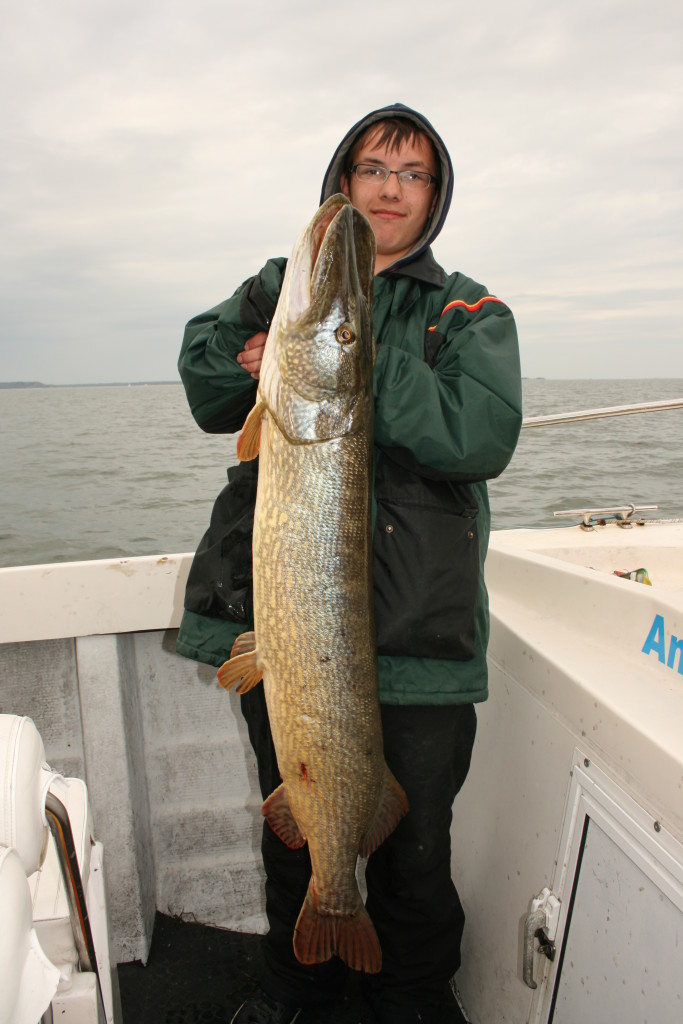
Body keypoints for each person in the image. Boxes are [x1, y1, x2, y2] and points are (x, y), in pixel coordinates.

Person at [176, 103, 522, 1024]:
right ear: (343, 180)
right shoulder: (283, 286)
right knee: (296, 837)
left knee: (415, 850)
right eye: (372, 167)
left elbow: (480, 432)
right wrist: (256, 354)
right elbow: (207, 383)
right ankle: (298, 997)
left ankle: (411, 1003)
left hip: (418, 637)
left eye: (413, 175)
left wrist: (349, 349)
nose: (388, 188)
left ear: (435, 197)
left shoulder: (468, 310)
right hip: (285, 630)